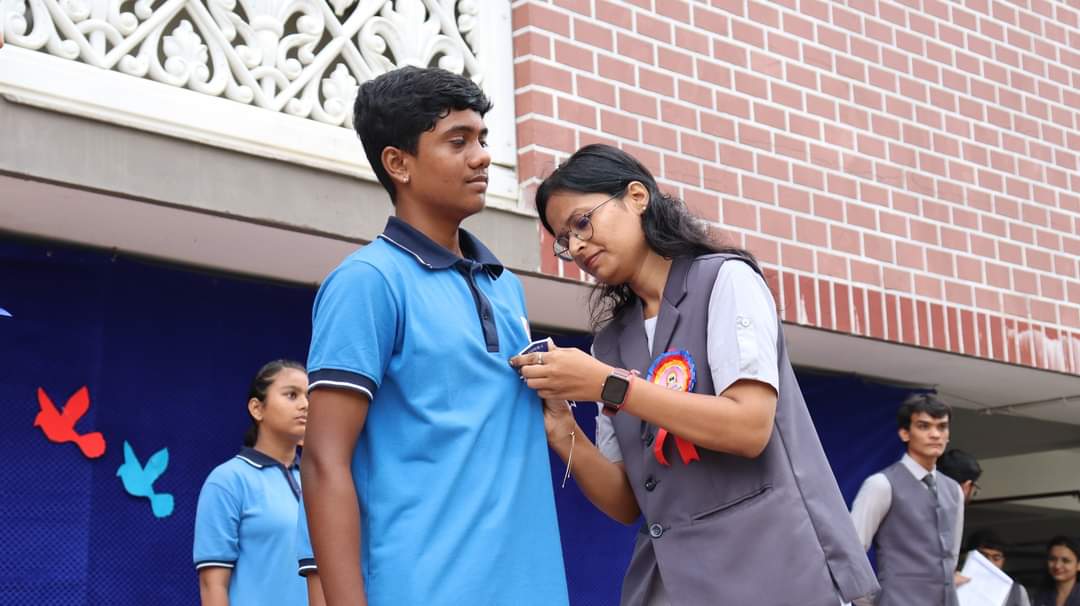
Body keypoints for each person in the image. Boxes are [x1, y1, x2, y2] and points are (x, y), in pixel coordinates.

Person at [509, 143, 878, 606]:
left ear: (638, 197)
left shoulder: (725, 280)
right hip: (677, 583)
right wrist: (564, 432)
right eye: (563, 239)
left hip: (777, 570)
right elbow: (627, 501)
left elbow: (749, 427)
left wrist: (609, 386)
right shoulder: (611, 343)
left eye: (582, 222)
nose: (577, 246)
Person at [300, 66, 568, 606]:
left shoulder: (506, 289)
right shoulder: (367, 282)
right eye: (458, 141)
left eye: (483, 138)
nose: (483, 156)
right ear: (398, 163)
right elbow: (324, 461)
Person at [193, 360, 312, 606]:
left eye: (309, 396)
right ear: (257, 408)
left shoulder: (318, 481)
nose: (305, 405)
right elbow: (212, 585)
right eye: (292, 395)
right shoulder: (228, 480)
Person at [850, 393, 965, 606]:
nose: (935, 434)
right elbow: (850, 552)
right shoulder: (882, 484)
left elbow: (951, 558)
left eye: (942, 427)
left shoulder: (954, 490)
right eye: (924, 426)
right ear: (904, 433)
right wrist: (869, 602)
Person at [965, 529, 1031, 606]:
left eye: (996, 558)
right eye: (983, 556)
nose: (990, 563)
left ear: (1003, 561)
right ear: (969, 556)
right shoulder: (954, 585)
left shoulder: (1016, 591)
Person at [1033, 536, 1080, 606]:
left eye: (1065, 561)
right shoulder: (1040, 596)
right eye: (1052, 559)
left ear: (1079, 565)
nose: (1057, 566)